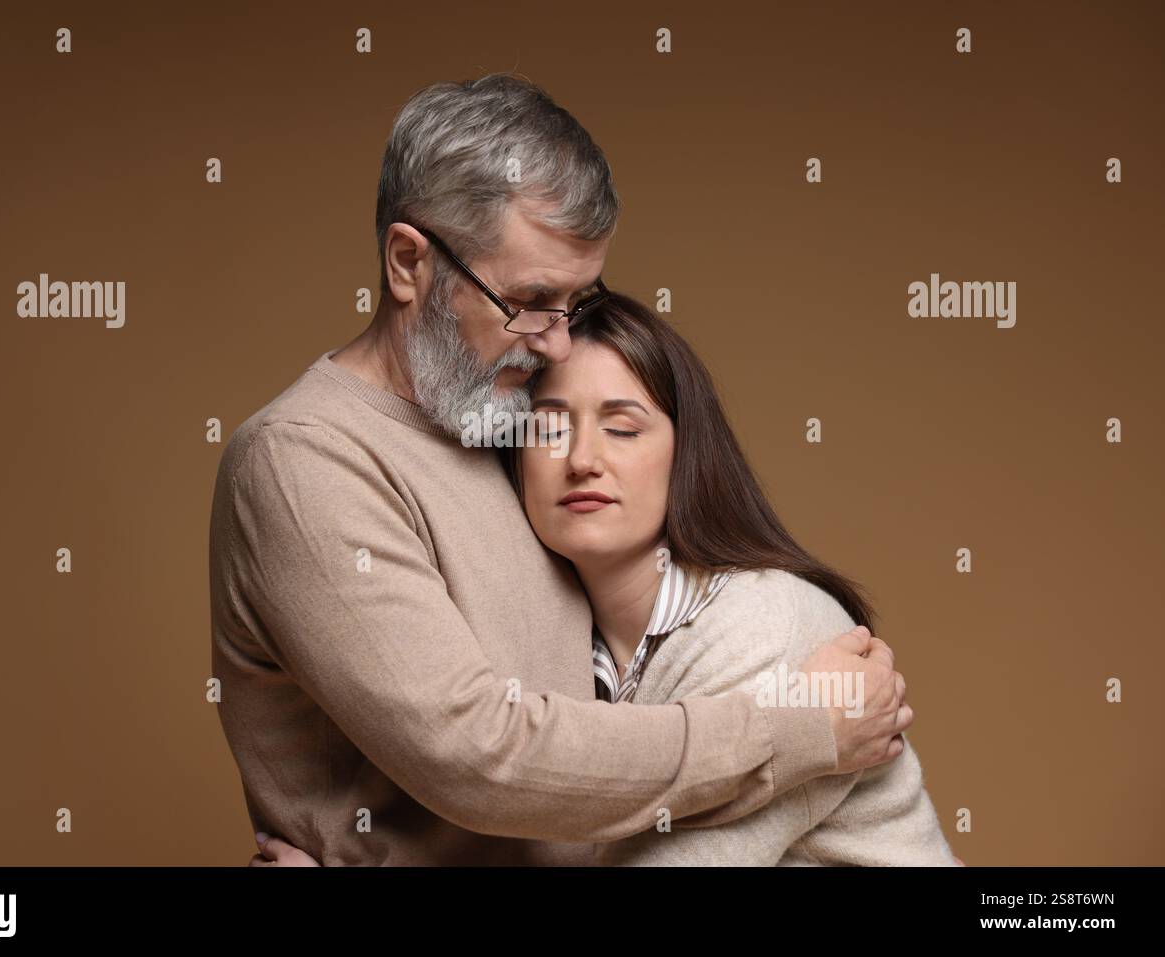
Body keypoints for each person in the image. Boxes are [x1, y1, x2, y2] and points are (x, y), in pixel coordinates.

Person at [211, 73, 912, 867]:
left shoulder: (498, 414)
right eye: (532, 299)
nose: (557, 342)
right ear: (408, 263)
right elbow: (481, 755)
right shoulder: (303, 460)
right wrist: (796, 729)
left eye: (576, 301)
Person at [253, 293, 956, 866]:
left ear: (686, 453)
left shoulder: (772, 627)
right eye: (549, 429)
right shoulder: (558, 656)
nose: (583, 459)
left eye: (623, 428)